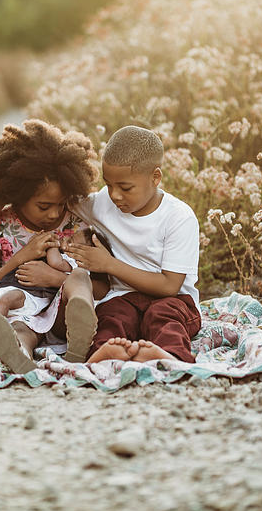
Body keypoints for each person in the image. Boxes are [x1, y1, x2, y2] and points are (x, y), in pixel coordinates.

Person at [0, 119, 103, 374]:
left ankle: (80, 339)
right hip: (19, 313)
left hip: (61, 315)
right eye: (44, 206)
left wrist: (55, 278)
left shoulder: (76, 221)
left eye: (61, 203)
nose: (54, 213)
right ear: (18, 196)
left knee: (78, 276)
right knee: (19, 331)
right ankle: (20, 355)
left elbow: (101, 287)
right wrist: (18, 259)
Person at [63, 125, 202, 363]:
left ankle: (170, 356)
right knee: (112, 315)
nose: (115, 195)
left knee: (162, 317)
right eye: (109, 184)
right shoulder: (103, 203)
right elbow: (56, 198)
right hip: (123, 297)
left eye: (125, 187)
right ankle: (105, 351)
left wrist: (109, 265)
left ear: (155, 177)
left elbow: (170, 285)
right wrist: (2, 203)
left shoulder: (179, 217)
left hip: (175, 300)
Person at [0, 228, 109, 342]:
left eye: (71, 241)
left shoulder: (74, 264)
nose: (66, 242)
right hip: (16, 289)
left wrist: (53, 245)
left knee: (5, 301)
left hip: (33, 297)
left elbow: (55, 263)